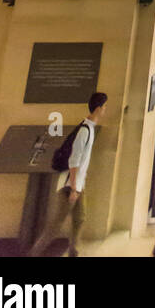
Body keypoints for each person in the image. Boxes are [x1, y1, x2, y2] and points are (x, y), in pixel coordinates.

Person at [28, 90, 107, 257]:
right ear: (98, 108)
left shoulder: (89, 128)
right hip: (70, 185)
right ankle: (34, 253)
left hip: (78, 183)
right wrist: (72, 188)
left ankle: (74, 251)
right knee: (55, 225)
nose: (105, 109)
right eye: (104, 106)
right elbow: (74, 160)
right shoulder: (85, 131)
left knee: (80, 217)